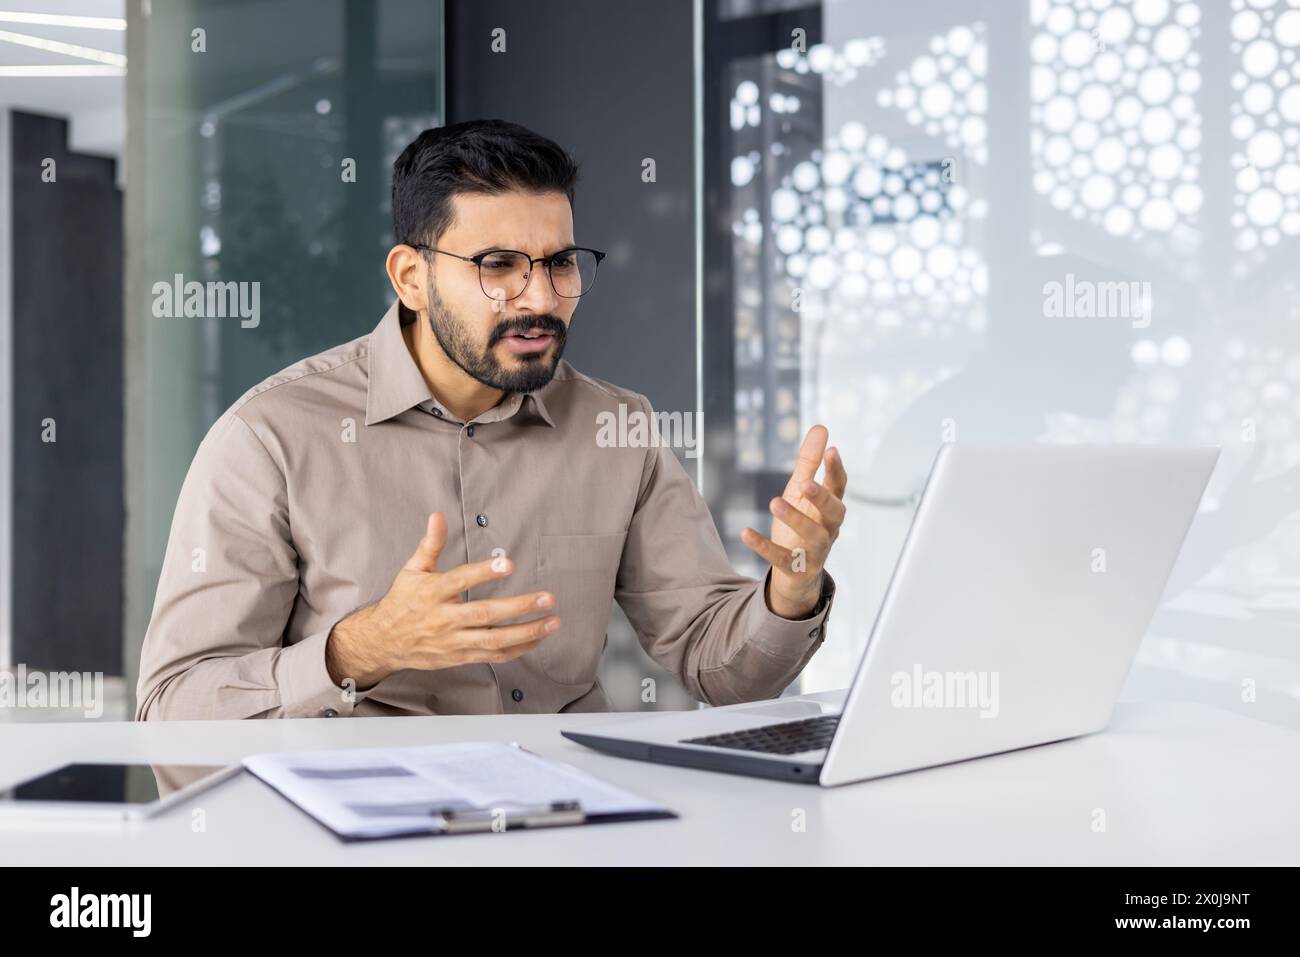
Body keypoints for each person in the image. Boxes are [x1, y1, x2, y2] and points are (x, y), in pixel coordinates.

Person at [135, 119, 845, 720]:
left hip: (577, 820)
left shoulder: (617, 427)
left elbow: (719, 667)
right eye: (499, 264)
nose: (539, 297)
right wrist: (360, 647)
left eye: (559, 262)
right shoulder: (270, 438)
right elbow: (171, 706)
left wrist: (791, 588)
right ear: (411, 277)